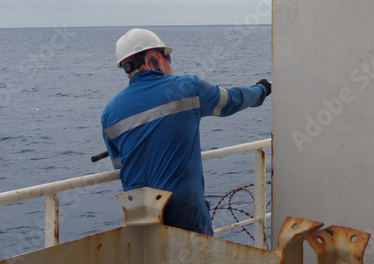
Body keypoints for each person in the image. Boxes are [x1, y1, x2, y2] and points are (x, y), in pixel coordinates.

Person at [101, 28, 271, 236]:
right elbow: (231, 101)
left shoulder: (110, 113)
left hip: (140, 213)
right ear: (153, 57)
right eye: (167, 56)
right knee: (197, 261)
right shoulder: (188, 88)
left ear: (127, 68)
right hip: (183, 207)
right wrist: (261, 90)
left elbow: (118, 163)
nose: (170, 62)